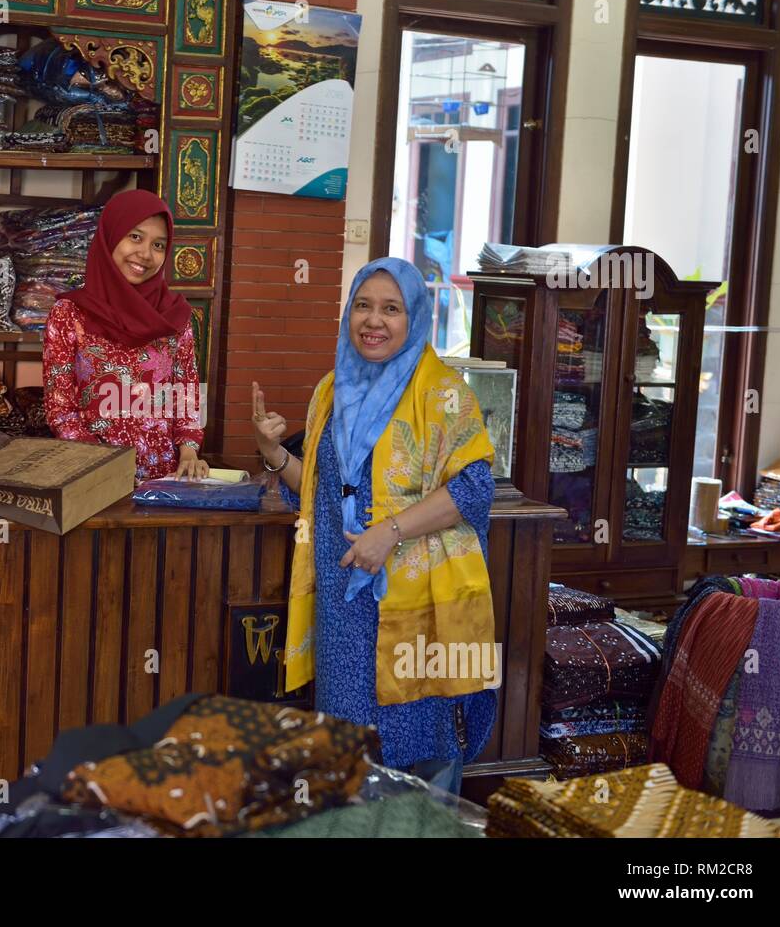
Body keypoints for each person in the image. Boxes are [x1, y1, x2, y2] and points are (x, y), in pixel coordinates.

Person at [252, 257, 498, 796]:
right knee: (346, 748)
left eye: (391, 309)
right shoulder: (330, 391)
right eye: (363, 305)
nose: (374, 320)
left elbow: (475, 490)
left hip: (415, 602)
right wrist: (273, 454)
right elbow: (321, 493)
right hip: (344, 601)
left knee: (418, 740)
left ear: (414, 318)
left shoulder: (444, 393)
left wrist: (390, 531)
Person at [43, 189, 209, 481]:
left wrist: (189, 451)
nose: (145, 254)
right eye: (135, 237)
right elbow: (61, 410)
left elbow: (186, 398)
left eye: (158, 245)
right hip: (93, 479)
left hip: (164, 483)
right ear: (110, 237)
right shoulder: (70, 313)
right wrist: (104, 468)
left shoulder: (175, 316)